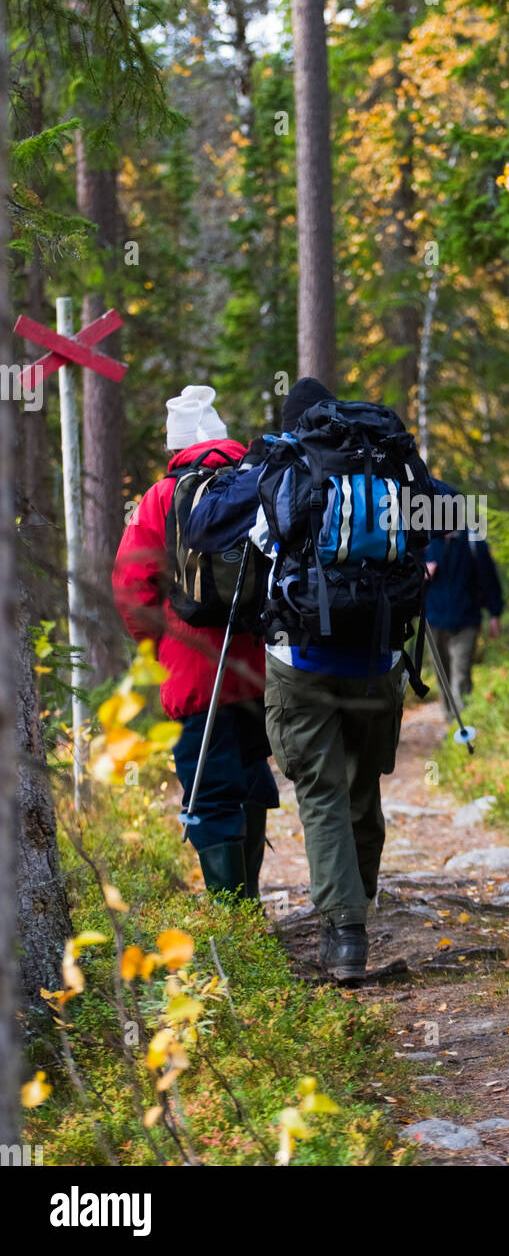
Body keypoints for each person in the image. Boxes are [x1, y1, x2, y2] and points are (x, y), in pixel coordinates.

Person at [182, 378, 421, 982]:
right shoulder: (388, 460)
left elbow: (204, 527)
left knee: (321, 789)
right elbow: (448, 517)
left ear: (295, 425)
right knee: (363, 783)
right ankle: (356, 904)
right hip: (380, 654)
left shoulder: (283, 463)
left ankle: (344, 934)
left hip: (301, 658)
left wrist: (242, 471)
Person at [112, 385, 278, 899]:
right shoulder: (262, 483)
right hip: (260, 666)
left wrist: (154, 649)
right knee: (251, 773)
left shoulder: (162, 498)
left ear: (174, 447)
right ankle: (248, 906)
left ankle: (234, 919)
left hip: (193, 670)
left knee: (208, 791)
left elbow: (131, 588)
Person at [424, 500, 503, 715]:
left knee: (461, 674)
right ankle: (451, 721)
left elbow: (489, 580)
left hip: (467, 620)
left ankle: (463, 723)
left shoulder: (473, 541)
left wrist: (495, 614)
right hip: (433, 619)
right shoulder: (426, 542)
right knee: (443, 674)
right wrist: (421, 576)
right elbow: (407, 578)